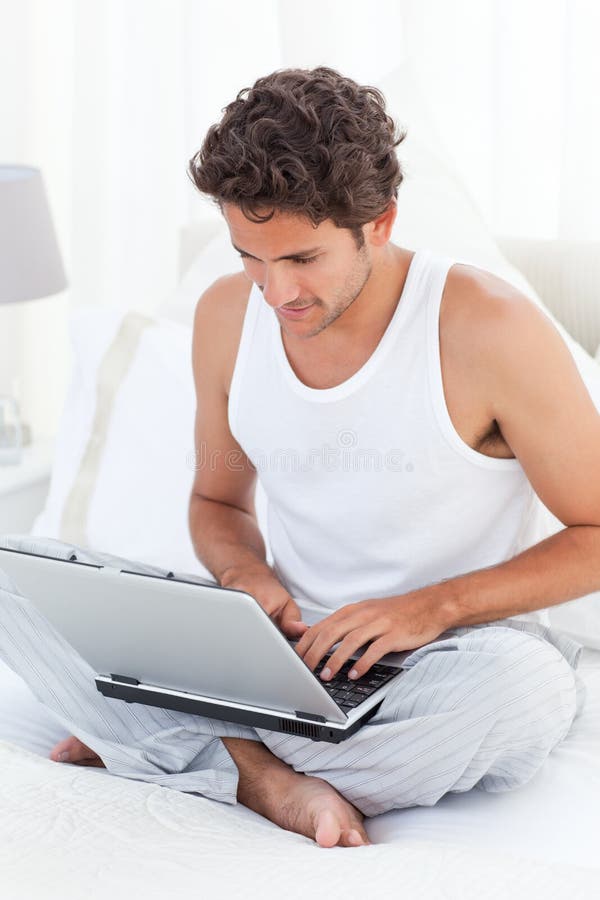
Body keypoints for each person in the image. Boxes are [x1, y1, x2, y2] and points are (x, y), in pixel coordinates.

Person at [13, 66, 600, 848]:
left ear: (380, 222)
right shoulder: (227, 315)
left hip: (444, 656)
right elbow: (217, 504)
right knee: (19, 577)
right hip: (273, 651)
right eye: (250, 256)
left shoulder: (487, 327)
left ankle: (177, 746)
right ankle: (256, 773)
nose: (274, 292)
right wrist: (243, 576)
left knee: (529, 695)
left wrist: (428, 610)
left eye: (302, 259)